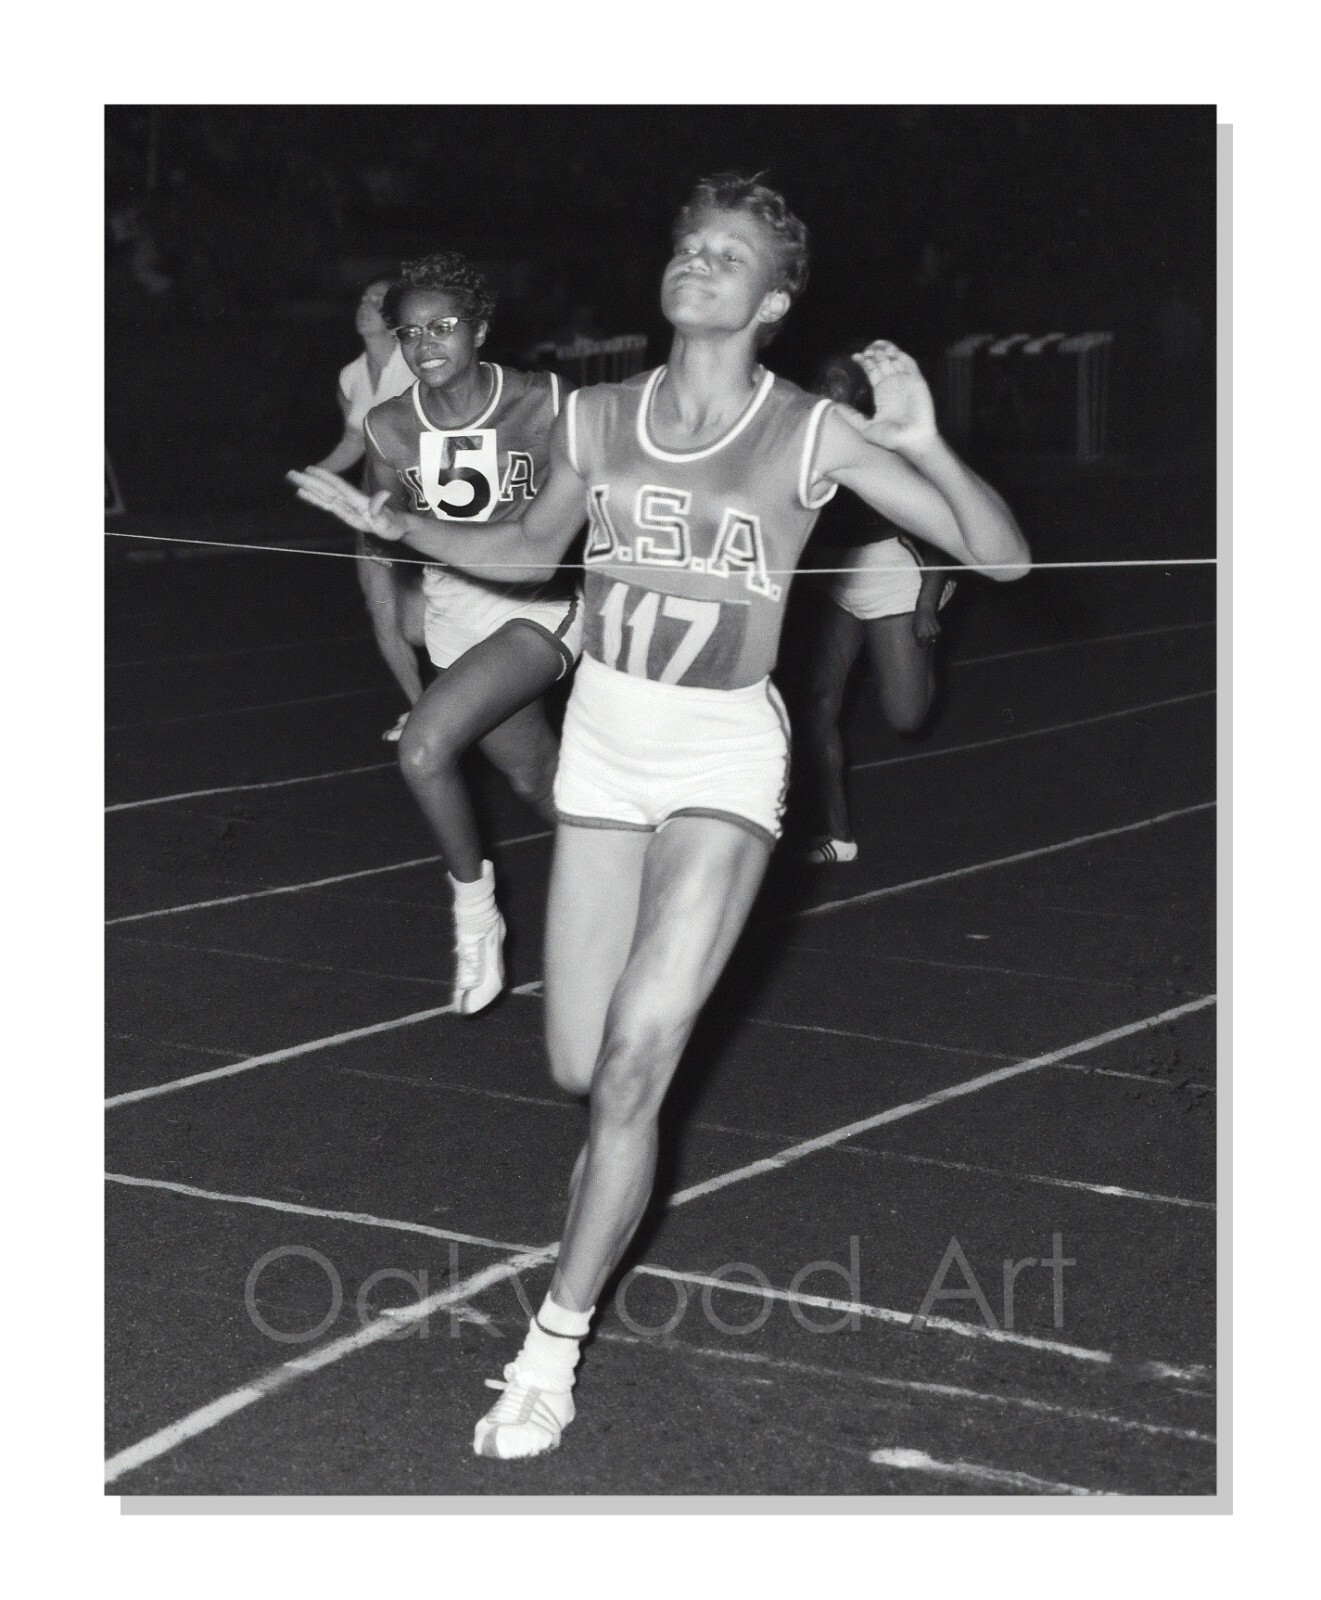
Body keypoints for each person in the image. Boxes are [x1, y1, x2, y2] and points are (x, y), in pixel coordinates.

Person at [290, 174, 1030, 1460]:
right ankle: (596, 1200)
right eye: (690, 244)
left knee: (635, 1066)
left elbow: (1004, 557)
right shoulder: (599, 413)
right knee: (582, 1067)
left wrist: (918, 441)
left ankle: (548, 1352)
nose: (698, 261)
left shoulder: (809, 431)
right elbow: (529, 556)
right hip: (605, 747)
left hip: (719, 758)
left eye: (730, 254)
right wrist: (390, 518)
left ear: (774, 302)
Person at [333, 252, 581, 1014]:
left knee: (424, 747)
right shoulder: (386, 425)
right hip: (455, 621)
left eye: (441, 327)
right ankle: (631, 869)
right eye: (409, 333)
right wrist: (401, 588)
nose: (425, 344)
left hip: (540, 606)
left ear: (479, 328)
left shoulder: (546, 400)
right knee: (538, 782)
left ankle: (477, 919)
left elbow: (605, 490)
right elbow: (388, 524)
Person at [793, 352, 957, 864]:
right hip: (835, 576)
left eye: (840, 380)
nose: (828, 385)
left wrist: (927, 600)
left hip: (894, 574)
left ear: (861, 396)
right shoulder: (800, 441)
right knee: (817, 705)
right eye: (822, 377)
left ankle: (921, 657)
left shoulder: (885, 442)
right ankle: (838, 836)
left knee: (906, 717)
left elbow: (940, 524)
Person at [311, 276, 423, 742]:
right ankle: (420, 711)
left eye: (377, 300)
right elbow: (354, 441)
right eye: (362, 298)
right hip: (371, 505)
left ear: (397, 317)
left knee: (420, 622)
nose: (365, 305)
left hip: (421, 504)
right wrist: (313, 473)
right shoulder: (350, 375)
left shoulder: (418, 365)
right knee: (382, 613)